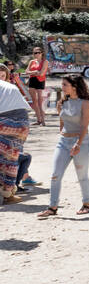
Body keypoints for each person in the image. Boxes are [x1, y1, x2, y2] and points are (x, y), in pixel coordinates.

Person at [37, 75, 89, 219]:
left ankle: (86, 204)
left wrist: (78, 143)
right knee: (55, 175)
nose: (62, 87)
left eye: (64, 85)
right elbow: (62, 122)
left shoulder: (86, 103)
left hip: (81, 143)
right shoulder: (62, 102)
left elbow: (84, 126)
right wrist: (63, 134)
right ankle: (52, 207)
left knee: (82, 176)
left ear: (74, 86)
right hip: (63, 143)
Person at [0, 63, 33, 205]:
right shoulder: (9, 86)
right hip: (22, 124)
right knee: (11, 159)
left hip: (5, 120)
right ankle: (8, 193)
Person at [25, 46, 48, 127]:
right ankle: (38, 120)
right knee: (34, 101)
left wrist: (32, 72)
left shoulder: (45, 61)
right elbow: (26, 71)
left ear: (42, 53)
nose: (36, 54)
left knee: (40, 102)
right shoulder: (32, 61)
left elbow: (41, 73)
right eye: (34, 53)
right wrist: (35, 71)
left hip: (40, 81)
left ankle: (43, 120)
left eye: (38, 52)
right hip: (32, 81)